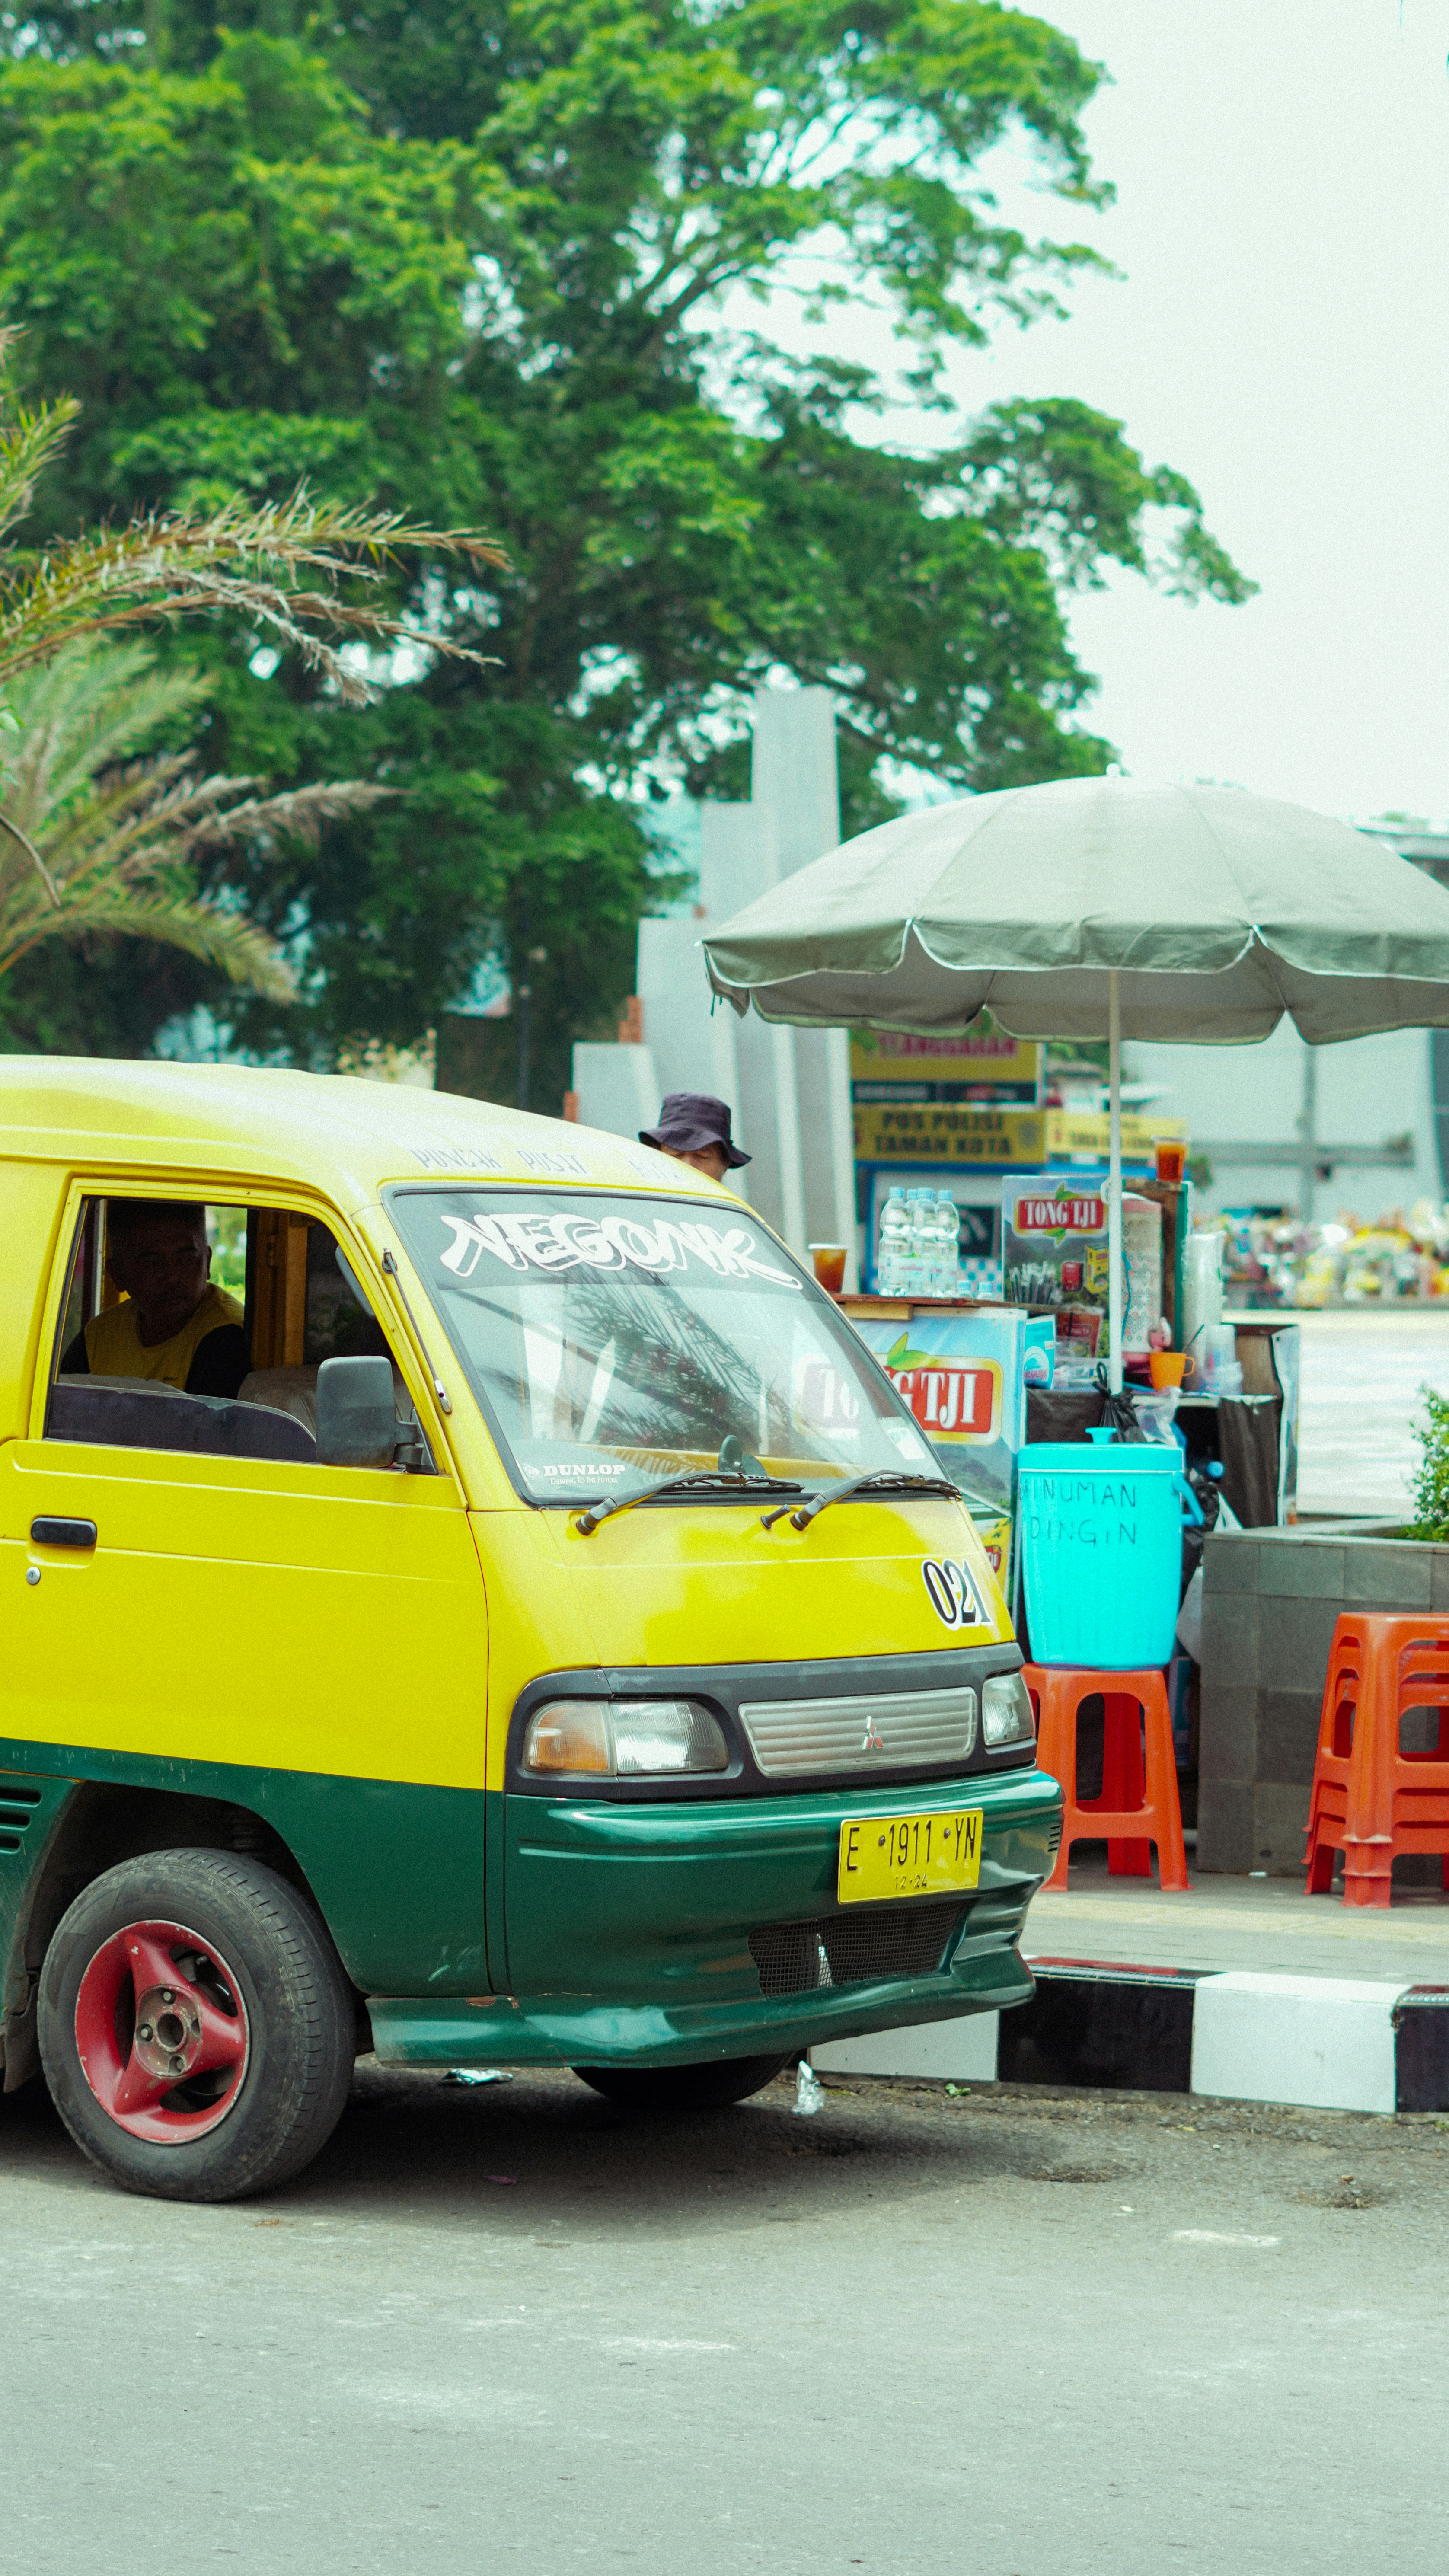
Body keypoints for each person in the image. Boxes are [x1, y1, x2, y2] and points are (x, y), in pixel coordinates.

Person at [61, 1200, 251, 1399]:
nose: (172, 1276)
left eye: (186, 1259)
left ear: (208, 1262)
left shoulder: (228, 1338)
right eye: (152, 1263)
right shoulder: (98, 1337)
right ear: (117, 1275)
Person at [638, 1092, 750, 1186]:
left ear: (725, 1164)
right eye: (675, 1155)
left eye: (702, 1156)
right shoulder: (633, 1206)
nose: (688, 1166)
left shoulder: (736, 1212)